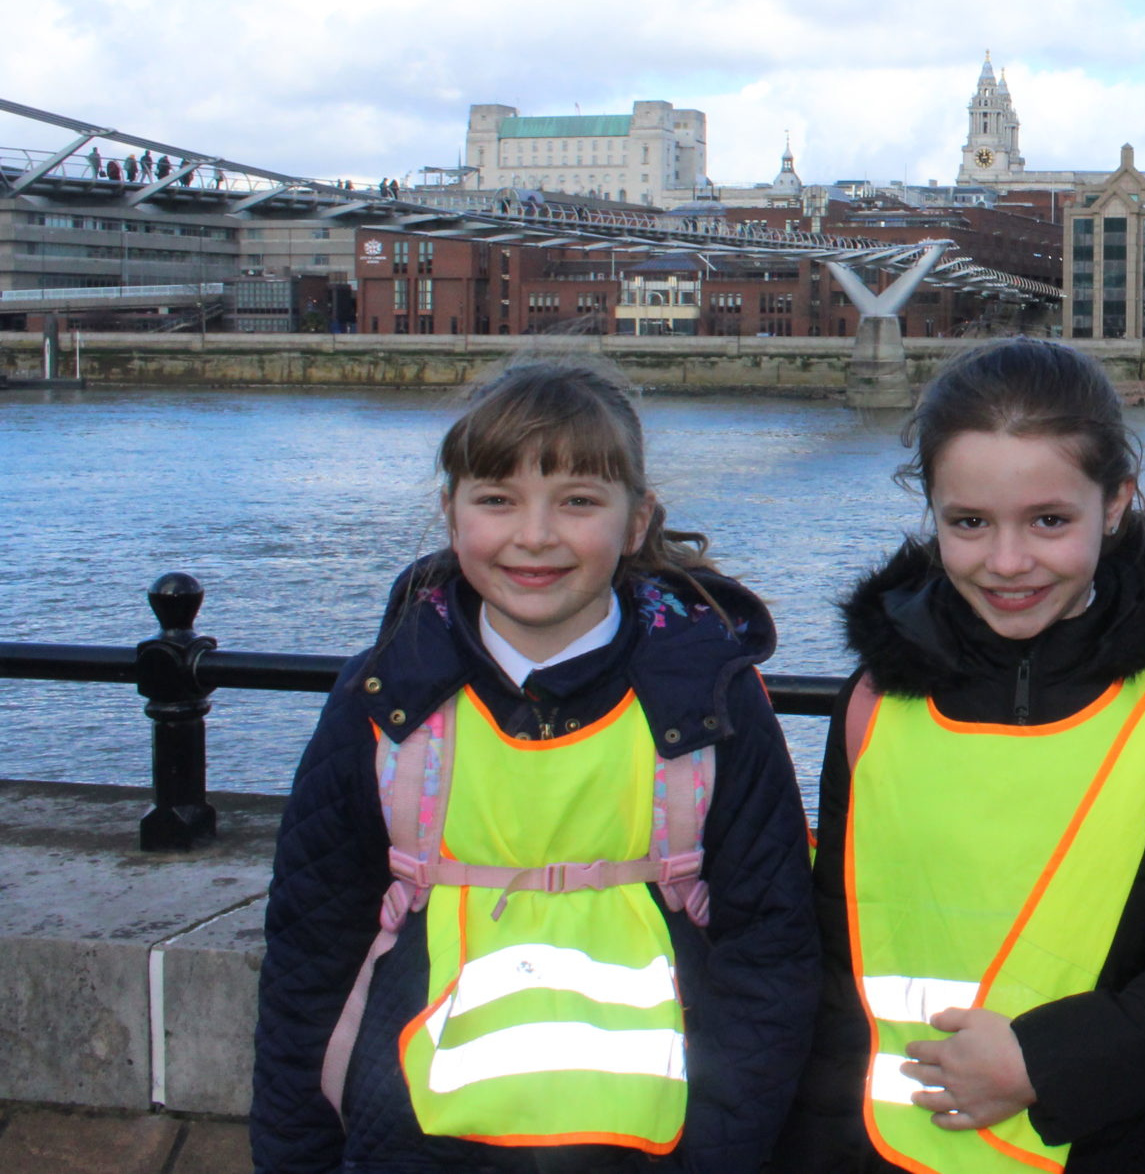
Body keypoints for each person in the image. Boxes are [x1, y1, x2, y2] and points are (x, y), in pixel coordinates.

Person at [252, 359, 817, 1172]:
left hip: (648, 1146)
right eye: (497, 499)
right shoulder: (382, 699)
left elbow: (770, 954)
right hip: (411, 1141)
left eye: (578, 500)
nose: (535, 535)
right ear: (451, 516)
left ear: (634, 521)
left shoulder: (710, 703)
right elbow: (310, 950)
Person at [775, 337, 1145, 1173]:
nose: (1008, 562)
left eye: (1049, 521)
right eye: (969, 523)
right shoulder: (875, 702)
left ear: (1116, 502)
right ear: (932, 511)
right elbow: (839, 963)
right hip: (881, 1150)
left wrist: (1045, 1064)